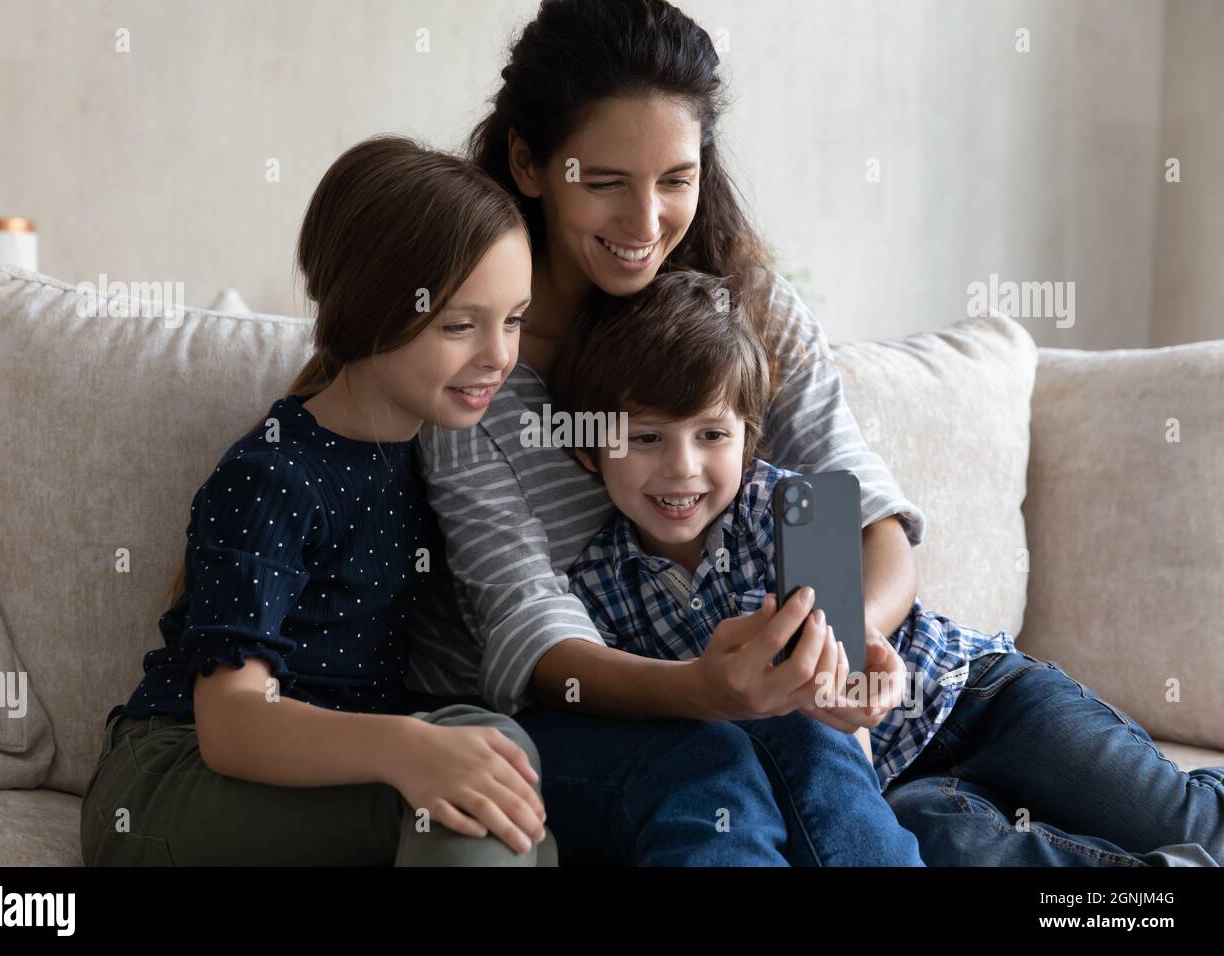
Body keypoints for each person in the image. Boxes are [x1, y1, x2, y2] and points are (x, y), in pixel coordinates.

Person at [408, 0, 925, 865]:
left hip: (776, 711)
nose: (646, 225)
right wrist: (701, 689)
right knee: (711, 760)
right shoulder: (473, 366)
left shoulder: (744, 310)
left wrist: (837, 649)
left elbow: (857, 504)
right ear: (529, 164)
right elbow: (525, 618)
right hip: (565, 724)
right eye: (605, 182)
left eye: (675, 180)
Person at [557, 270, 1223, 868]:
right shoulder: (596, 589)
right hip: (901, 785)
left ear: (747, 436)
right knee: (949, 841)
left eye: (711, 435)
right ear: (591, 451)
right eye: (645, 438)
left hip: (983, 698)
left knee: (1176, 816)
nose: (682, 467)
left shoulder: (785, 509)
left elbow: (856, 635)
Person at [81, 136, 554, 866]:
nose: (498, 354)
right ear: (367, 312)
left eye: (514, 319)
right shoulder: (274, 475)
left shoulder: (436, 459)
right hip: (167, 785)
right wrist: (408, 747)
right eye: (461, 324)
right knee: (469, 797)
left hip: (322, 779)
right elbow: (233, 723)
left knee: (495, 757)